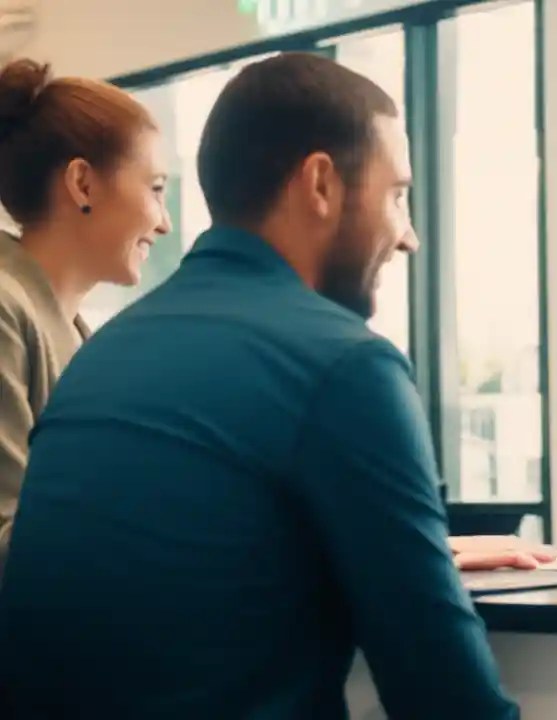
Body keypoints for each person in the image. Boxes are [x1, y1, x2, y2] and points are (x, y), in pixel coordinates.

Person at [1, 54, 526, 718]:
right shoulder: (345, 365)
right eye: (396, 195)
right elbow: (447, 697)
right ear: (321, 184)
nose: (409, 236)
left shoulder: (101, 357)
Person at [0, 58, 172, 561]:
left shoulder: (73, 331)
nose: (164, 223)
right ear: (83, 184)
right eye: (156, 189)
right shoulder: (7, 312)